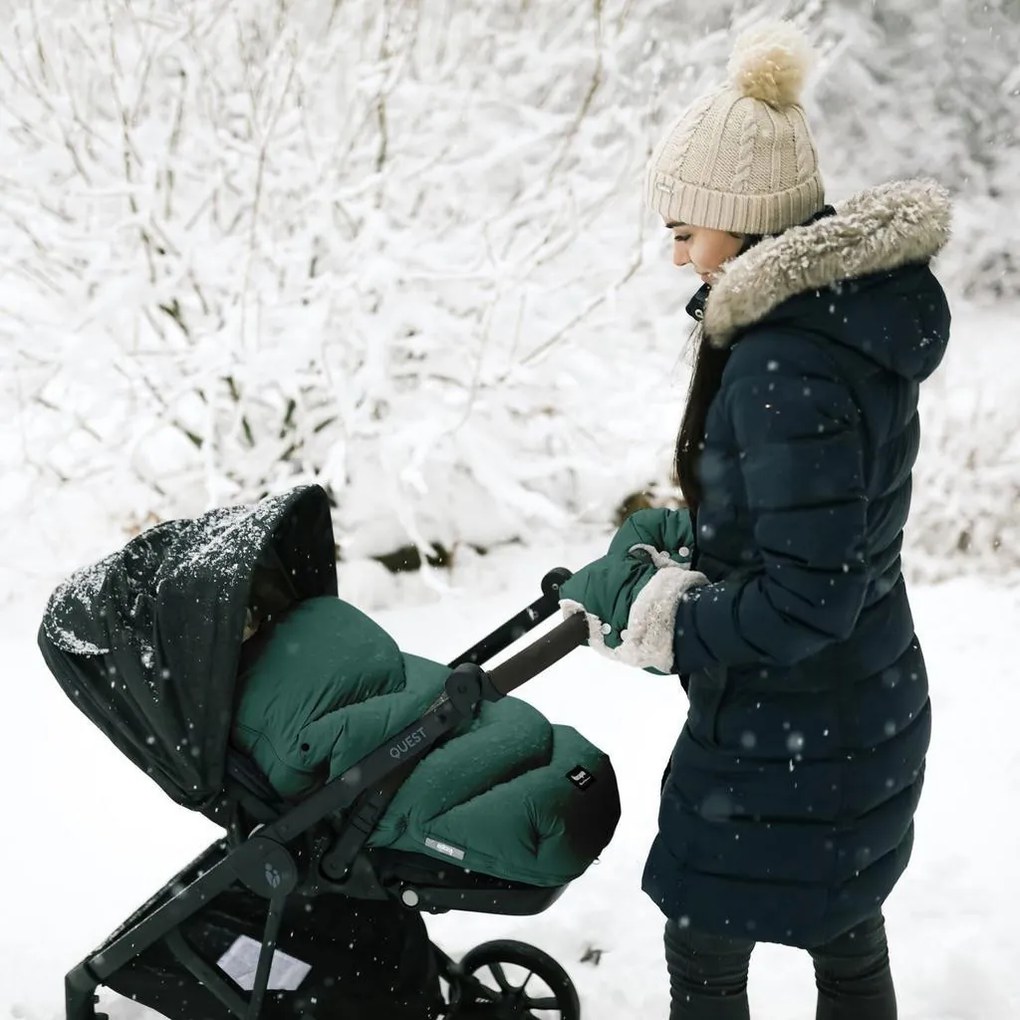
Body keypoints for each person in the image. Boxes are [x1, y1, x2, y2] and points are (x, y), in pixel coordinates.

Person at [558, 20, 951, 1020]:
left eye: (685, 230)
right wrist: (705, 537)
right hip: (850, 705)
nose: (678, 255)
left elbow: (809, 594)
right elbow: (829, 529)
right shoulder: (837, 317)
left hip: (794, 726)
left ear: (744, 219)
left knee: (704, 942)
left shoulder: (787, 361)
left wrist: (667, 618)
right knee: (844, 928)